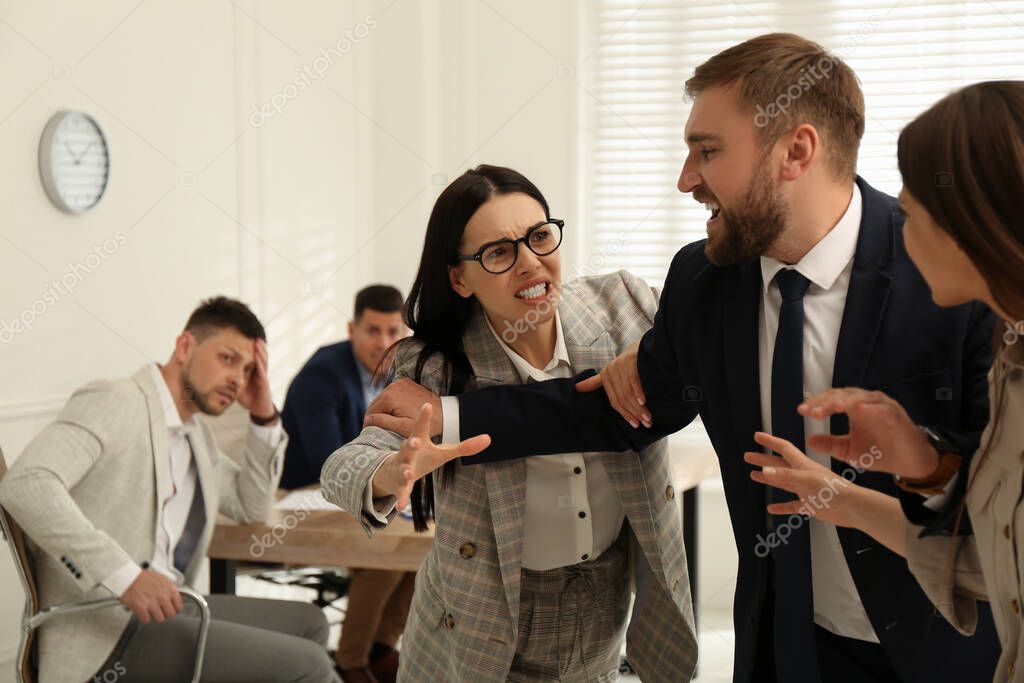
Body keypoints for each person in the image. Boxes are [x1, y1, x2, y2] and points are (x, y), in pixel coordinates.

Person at [362, 35, 1001, 682]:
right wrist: (446, 413)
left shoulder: (949, 266)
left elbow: (995, 497)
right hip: (779, 647)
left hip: (937, 652)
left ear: (796, 151)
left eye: (708, 151)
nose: (685, 179)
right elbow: (614, 414)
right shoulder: (704, 279)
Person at [321, 164, 698, 682]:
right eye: (498, 252)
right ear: (459, 278)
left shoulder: (628, 310)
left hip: (604, 609)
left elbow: (700, 359)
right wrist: (393, 470)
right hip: (478, 623)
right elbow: (343, 467)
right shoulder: (436, 365)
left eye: (540, 237)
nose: (530, 263)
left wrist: (652, 353)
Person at [747, 81, 1024, 682]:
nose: (897, 224)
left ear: (978, 221)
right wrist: (918, 465)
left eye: (916, 210)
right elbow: (999, 561)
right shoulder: (1013, 361)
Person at [0, 297, 337, 683]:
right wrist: (125, 576)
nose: (237, 379)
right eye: (227, 359)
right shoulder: (118, 400)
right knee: (309, 665)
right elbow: (26, 484)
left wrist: (263, 412)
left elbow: (251, 505)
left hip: (172, 611)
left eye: (247, 370)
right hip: (107, 630)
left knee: (309, 622)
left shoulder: (196, 436)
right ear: (185, 346)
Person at [280, 284, 414, 683]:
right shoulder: (322, 376)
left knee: (423, 550)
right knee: (385, 554)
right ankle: (351, 662)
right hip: (305, 496)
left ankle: (379, 649)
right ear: (352, 328)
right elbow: (331, 466)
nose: (383, 342)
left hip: (372, 489)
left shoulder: (401, 370)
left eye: (393, 332)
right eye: (373, 330)